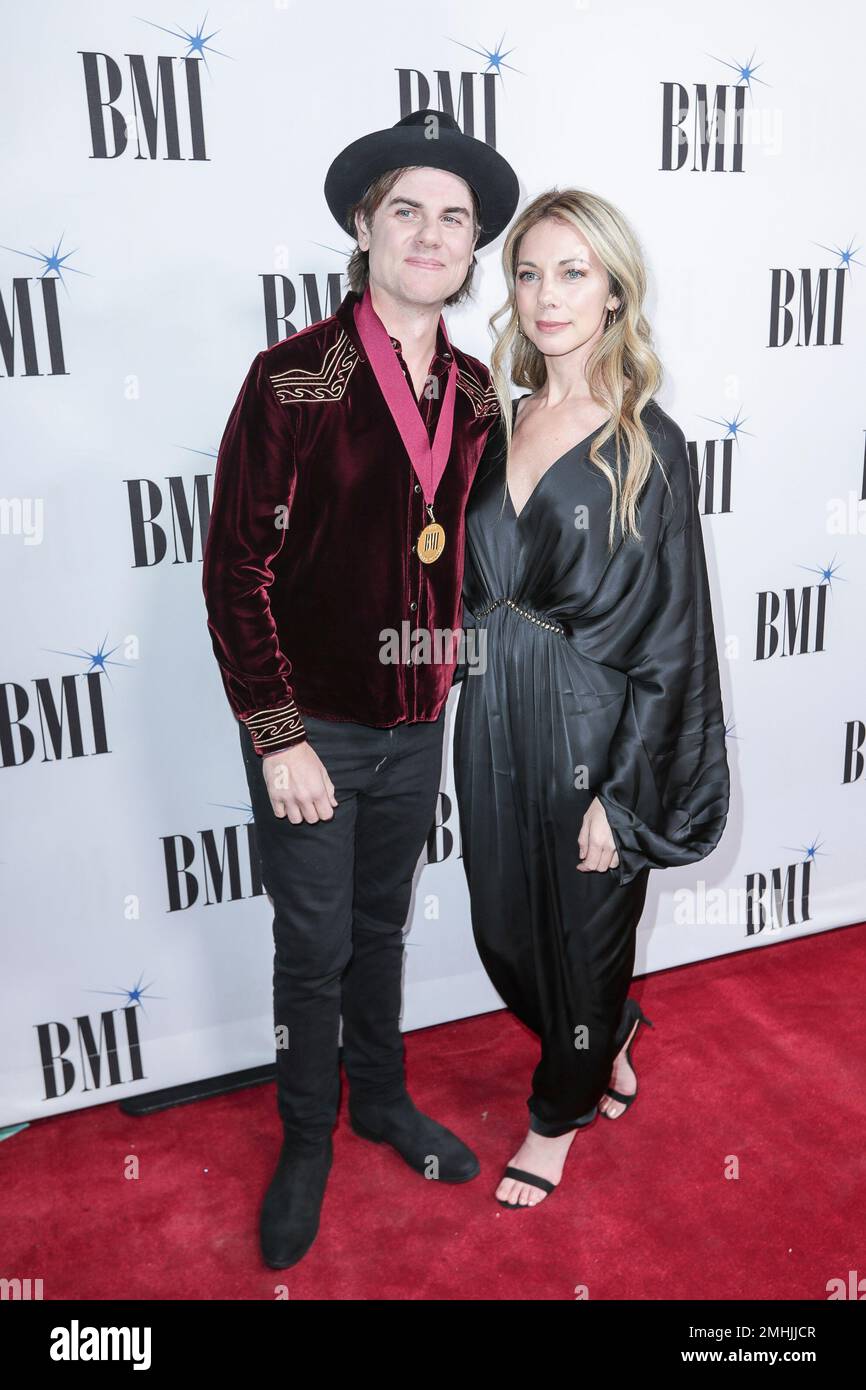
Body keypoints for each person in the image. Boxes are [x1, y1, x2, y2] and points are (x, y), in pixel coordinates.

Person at [202, 109, 519, 1268]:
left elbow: (473, 554)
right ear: (362, 225)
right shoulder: (292, 377)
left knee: (379, 930)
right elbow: (234, 568)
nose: (429, 234)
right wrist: (277, 735)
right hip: (313, 729)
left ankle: (380, 1100)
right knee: (312, 944)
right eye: (407, 211)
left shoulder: (479, 392)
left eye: (452, 217)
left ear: (471, 243)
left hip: (415, 719)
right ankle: (305, 1139)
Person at [452, 188, 730, 1209]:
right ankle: (604, 1028)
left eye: (571, 272)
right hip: (488, 710)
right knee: (502, 925)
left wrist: (620, 796)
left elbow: (670, 639)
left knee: (582, 931)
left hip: (593, 721)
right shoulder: (498, 416)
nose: (544, 295)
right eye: (527, 272)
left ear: (613, 290)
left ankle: (555, 1114)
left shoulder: (647, 442)